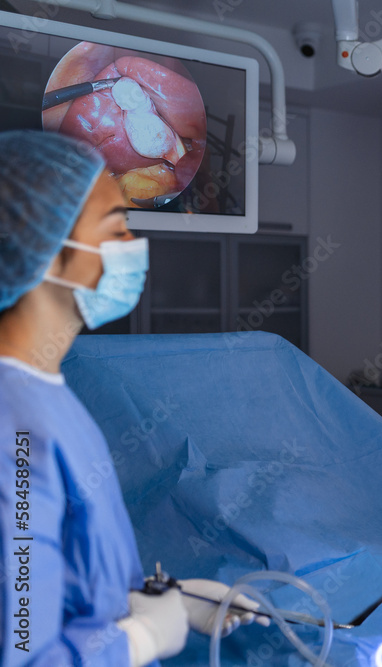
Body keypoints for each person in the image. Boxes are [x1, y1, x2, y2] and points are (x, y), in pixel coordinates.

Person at [0, 130, 264, 666]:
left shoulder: (46, 391)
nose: (132, 246)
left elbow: (49, 573)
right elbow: (24, 647)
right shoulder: (15, 433)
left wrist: (155, 599)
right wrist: (136, 639)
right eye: (115, 228)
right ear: (47, 251)